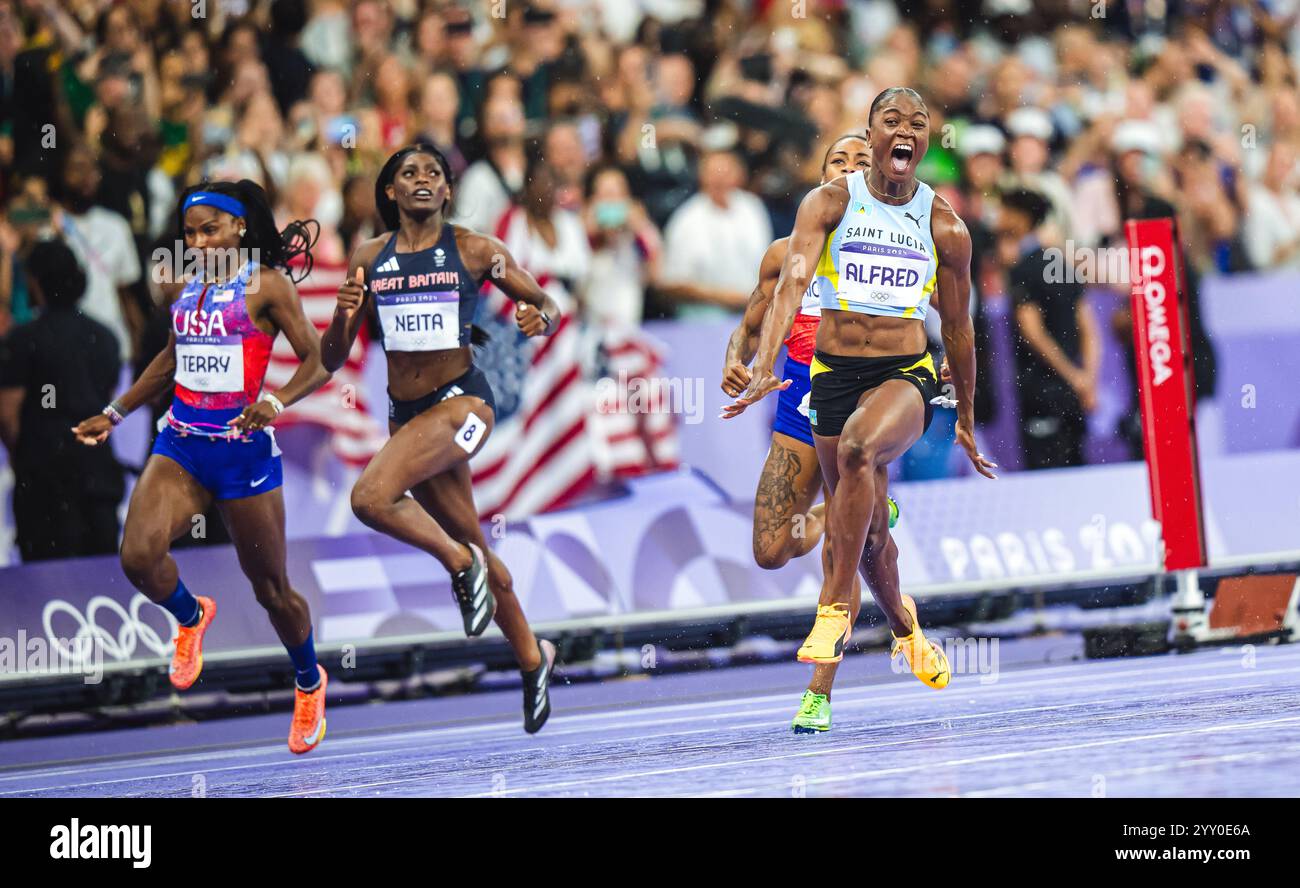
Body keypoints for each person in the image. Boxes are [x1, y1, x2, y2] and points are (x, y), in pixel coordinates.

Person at [726, 87, 996, 695]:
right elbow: (787, 289)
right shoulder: (825, 208)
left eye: (918, 123)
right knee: (866, 539)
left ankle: (826, 650)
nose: (905, 130)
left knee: (855, 452)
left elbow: (957, 325)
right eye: (891, 120)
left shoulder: (944, 225)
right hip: (825, 377)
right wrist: (762, 364)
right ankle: (906, 627)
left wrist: (967, 417)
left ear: (925, 141)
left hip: (903, 377)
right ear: (872, 136)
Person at [71, 180, 333, 755]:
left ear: (240, 227)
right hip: (183, 448)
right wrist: (114, 413)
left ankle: (309, 680)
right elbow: (169, 361)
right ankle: (191, 616)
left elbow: (320, 359)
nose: (197, 241)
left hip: (242, 456)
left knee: (272, 592)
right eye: (189, 233)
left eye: (209, 229)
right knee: (138, 555)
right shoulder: (188, 288)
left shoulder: (268, 286)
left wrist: (277, 402)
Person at [320, 144, 561, 734]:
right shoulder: (369, 257)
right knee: (475, 539)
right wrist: (340, 316)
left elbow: (544, 302)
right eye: (409, 174)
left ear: (448, 192)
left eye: (433, 173)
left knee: (369, 498)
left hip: (466, 407)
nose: (422, 180)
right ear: (390, 193)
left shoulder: (477, 250)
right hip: (409, 421)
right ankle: (533, 658)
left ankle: (458, 566)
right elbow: (331, 358)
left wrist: (539, 317)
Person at [722, 133, 898, 732]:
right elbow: (752, 319)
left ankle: (819, 693)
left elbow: (928, 316)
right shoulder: (783, 250)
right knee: (770, 549)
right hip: (798, 409)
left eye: (859, 162)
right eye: (837, 162)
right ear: (820, 176)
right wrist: (733, 358)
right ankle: (867, 508)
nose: (848, 170)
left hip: (860, 406)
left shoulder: (892, 244)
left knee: (839, 559)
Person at [0, 239, 124, 561]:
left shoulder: (23, 340)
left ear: (36, 282)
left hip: (44, 480)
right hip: (98, 475)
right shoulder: (106, 336)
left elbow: (8, 415)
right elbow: (108, 404)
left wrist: (25, 455)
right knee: (101, 574)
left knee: (46, 578)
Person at [1000, 188, 1099, 469]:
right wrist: (1085, 379)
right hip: (1071, 394)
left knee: (1047, 474)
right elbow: (1090, 329)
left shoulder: (1022, 270)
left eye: (1004, 211)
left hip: (1041, 391)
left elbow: (1033, 332)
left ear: (1021, 219)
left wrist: (1072, 376)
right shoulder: (1060, 264)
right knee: (1075, 468)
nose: (998, 218)